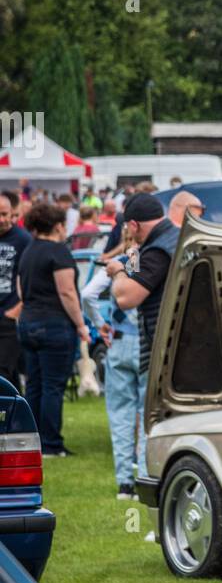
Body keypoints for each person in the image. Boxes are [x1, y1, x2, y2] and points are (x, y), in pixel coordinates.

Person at [16, 202, 89, 456]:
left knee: (34, 385)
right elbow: (67, 292)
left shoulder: (28, 250)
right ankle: (51, 443)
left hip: (28, 322)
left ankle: (32, 440)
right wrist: (81, 325)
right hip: (54, 324)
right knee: (52, 387)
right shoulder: (59, 252)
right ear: (58, 225)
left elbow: (20, 290)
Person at [82, 224, 146, 500]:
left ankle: (124, 483)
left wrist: (100, 324)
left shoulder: (120, 263)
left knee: (120, 413)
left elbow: (88, 295)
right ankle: (144, 475)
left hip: (118, 341)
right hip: (145, 342)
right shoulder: (155, 263)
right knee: (146, 415)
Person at [107, 192, 180, 379]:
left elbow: (125, 298)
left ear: (133, 225)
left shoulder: (157, 250)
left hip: (166, 347)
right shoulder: (175, 237)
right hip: (176, 343)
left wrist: (118, 271)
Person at [0, 193, 31, 390]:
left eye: (5, 214)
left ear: (13, 214)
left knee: (3, 372)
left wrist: (18, 309)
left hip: (10, 318)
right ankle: (14, 419)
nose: (1, 220)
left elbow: (31, 280)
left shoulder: (23, 240)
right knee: (8, 377)